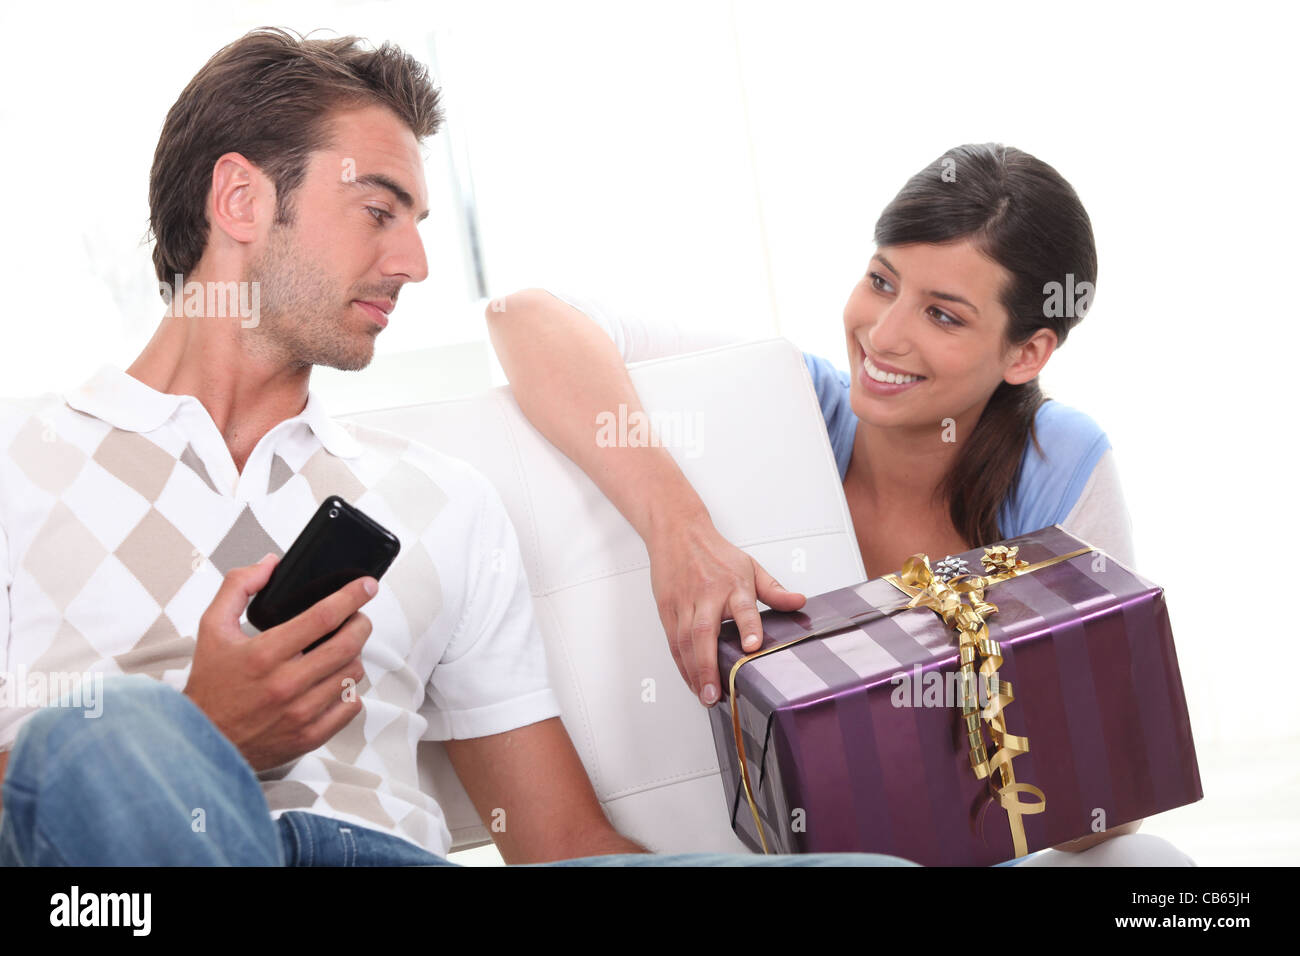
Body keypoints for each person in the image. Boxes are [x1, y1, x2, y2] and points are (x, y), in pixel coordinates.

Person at [0, 28, 913, 868]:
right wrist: (203, 732)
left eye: (420, 225)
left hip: (383, 856)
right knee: (106, 734)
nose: (414, 264)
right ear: (241, 198)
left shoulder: (438, 498)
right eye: (377, 211)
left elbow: (557, 840)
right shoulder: (23, 459)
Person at [486, 143, 1193, 865]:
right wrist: (678, 527)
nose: (883, 335)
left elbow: (1111, 809)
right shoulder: (793, 398)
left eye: (943, 316)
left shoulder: (1059, 464)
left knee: (1153, 868)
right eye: (882, 281)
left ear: (1026, 354)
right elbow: (524, 316)